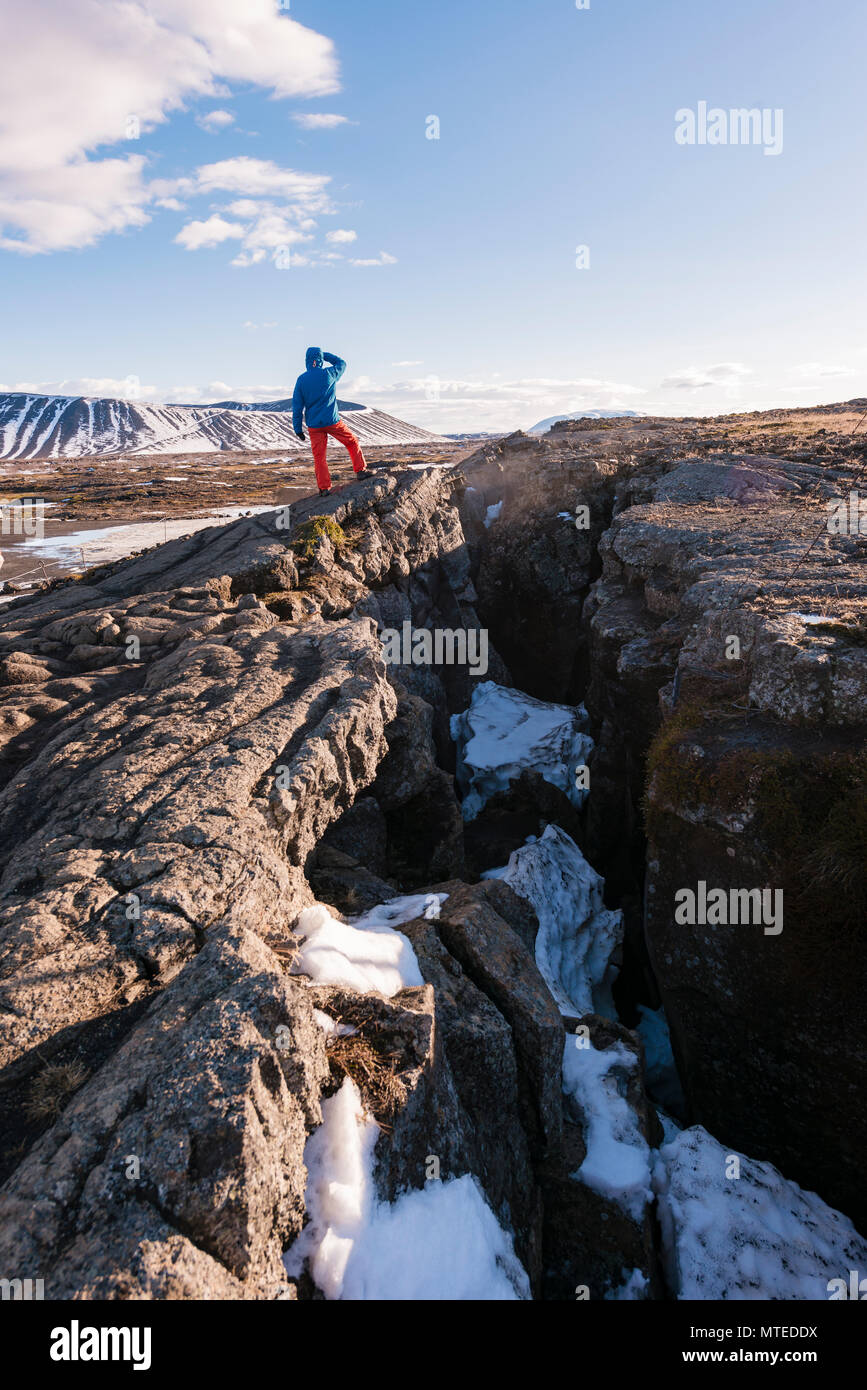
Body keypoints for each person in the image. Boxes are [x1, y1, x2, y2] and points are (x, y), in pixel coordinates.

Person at [291, 347, 368, 496]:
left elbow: (297, 406)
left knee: (319, 457)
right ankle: (360, 471)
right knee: (352, 442)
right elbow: (342, 363)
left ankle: (324, 488)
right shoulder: (329, 373)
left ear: (306, 361)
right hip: (332, 421)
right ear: (319, 359)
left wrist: (297, 429)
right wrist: (324, 356)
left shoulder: (301, 380)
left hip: (314, 425)